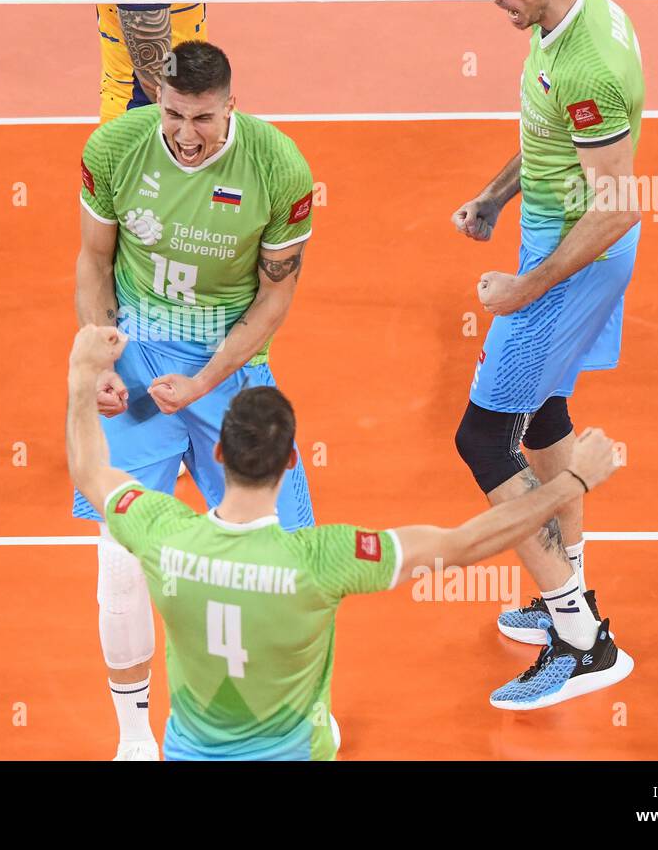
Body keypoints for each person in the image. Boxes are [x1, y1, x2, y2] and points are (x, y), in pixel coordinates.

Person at [66, 325, 623, 758]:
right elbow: (468, 542)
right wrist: (573, 482)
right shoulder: (324, 559)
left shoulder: (166, 536)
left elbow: (90, 468)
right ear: (289, 462)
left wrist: (82, 372)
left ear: (215, 455)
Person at [73, 40, 317, 758]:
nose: (185, 133)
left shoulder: (279, 168)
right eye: (174, 114)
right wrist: (103, 354)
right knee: (119, 555)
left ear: (230, 106)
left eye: (203, 118)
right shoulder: (116, 147)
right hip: (138, 357)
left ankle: (299, 713)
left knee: (284, 560)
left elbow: (274, 301)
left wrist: (206, 382)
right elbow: (94, 257)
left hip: (229, 369)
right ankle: (134, 739)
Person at [450, 0, 643, 707]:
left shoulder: (588, 64)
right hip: (553, 242)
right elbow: (548, 134)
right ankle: (570, 595)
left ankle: (582, 642)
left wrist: (526, 288)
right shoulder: (564, 20)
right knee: (548, 415)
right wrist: (496, 197)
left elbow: (620, 204)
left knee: (485, 438)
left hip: (572, 262)